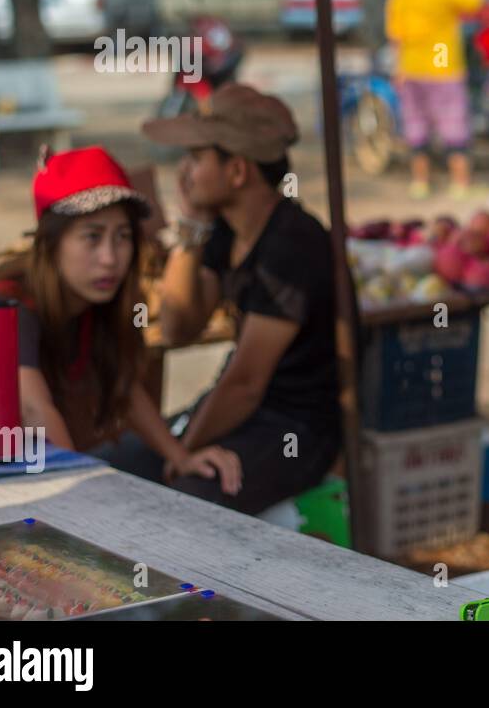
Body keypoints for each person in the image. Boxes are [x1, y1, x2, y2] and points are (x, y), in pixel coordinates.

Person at [115, 83, 343, 514]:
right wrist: (192, 226)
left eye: (197, 158)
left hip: (295, 430)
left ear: (237, 171)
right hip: (244, 415)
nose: (185, 171)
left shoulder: (292, 244)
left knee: (184, 500)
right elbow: (180, 327)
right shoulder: (228, 232)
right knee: (114, 467)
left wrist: (184, 452)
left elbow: (245, 384)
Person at [0, 146, 242, 494]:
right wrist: (77, 498)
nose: (110, 258)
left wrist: (180, 457)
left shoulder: (96, 301)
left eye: (122, 237)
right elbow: (34, 411)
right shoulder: (9, 304)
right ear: (51, 243)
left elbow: (124, 385)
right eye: (92, 237)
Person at [385, 0, 486, 200]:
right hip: (444, 66)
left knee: (416, 124)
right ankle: (460, 184)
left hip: (411, 68)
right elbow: (475, 2)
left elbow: (395, 36)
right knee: (453, 125)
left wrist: (398, 69)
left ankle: (420, 182)